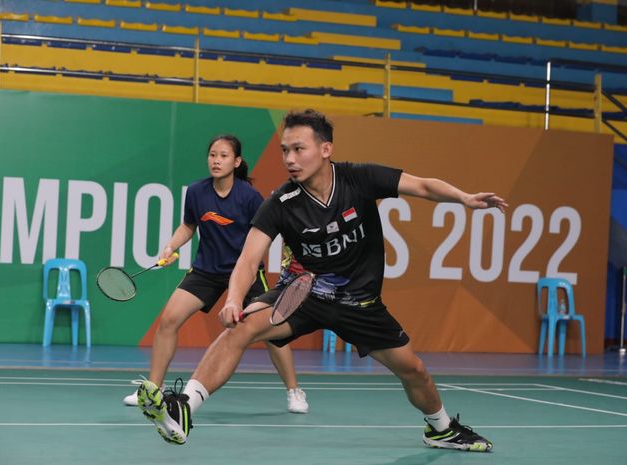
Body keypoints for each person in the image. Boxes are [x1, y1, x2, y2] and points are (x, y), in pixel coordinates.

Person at [137, 110, 507, 451]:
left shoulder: (359, 179)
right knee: (242, 327)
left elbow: (422, 187)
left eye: (299, 149)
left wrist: (464, 198)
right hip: (305, 294)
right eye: (285, 150)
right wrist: (234, 299)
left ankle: (441, 429)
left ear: (325, 149)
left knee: (414, 370)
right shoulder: (280, 203)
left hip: (359, 303)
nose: (290, 159)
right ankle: (185, 406)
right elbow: (249, 259)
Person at [128, 134, 308, 419]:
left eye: (223, 156)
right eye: (213, 155)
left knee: (272, 332)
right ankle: (154, 388)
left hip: (244, 274)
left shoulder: (249, 197)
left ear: (236, 162)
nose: (216, 160)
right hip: (206, 271)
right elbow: (188, 226)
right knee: (169, 320)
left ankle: (294, 390)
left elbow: (263, 234)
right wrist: (170, 246)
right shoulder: (197, 191)